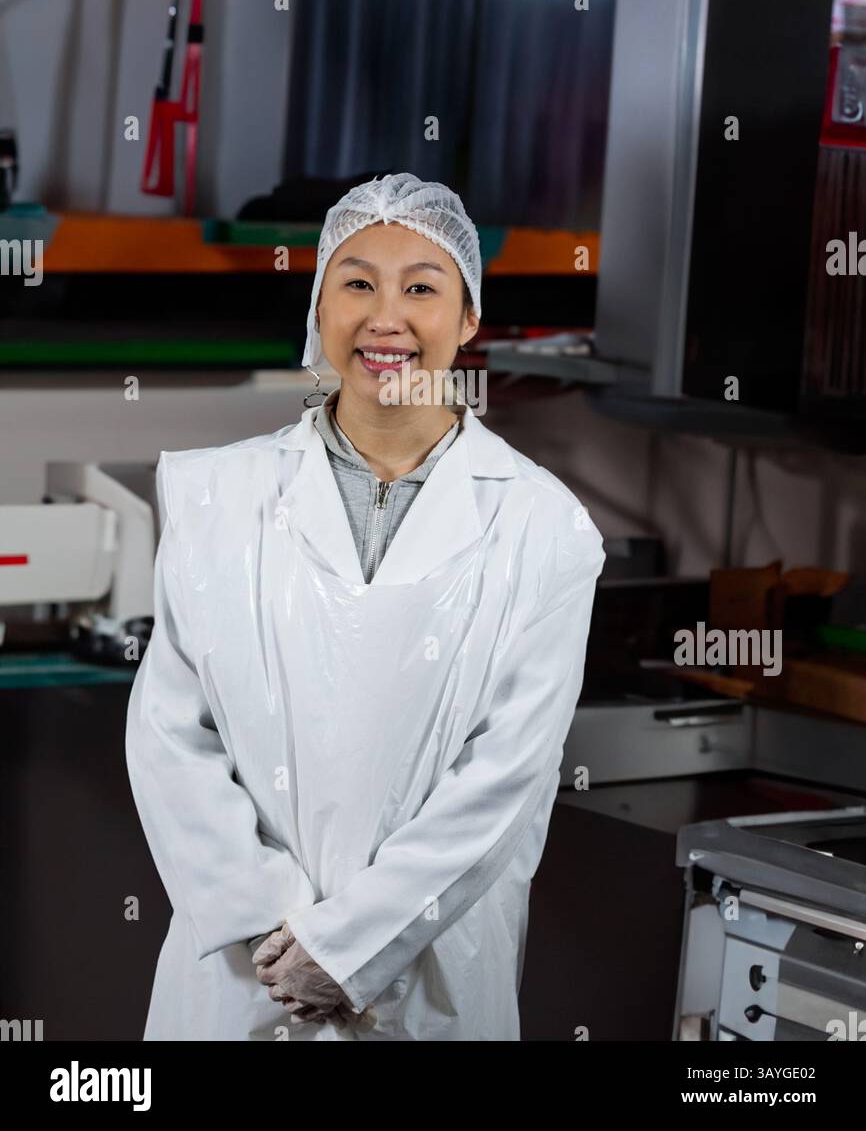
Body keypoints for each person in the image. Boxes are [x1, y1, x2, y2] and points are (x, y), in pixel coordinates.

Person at [125, 172, 605, 1041]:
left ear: (467, 320)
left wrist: (349, 948)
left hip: (430, 987)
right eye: (356, 283)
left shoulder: (544, 529)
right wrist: (274, 922)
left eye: (421, 287)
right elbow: (170, 736)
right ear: (320, 306)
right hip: (245, 980)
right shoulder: (215, 498)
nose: (386, 318)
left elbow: (507, 778)